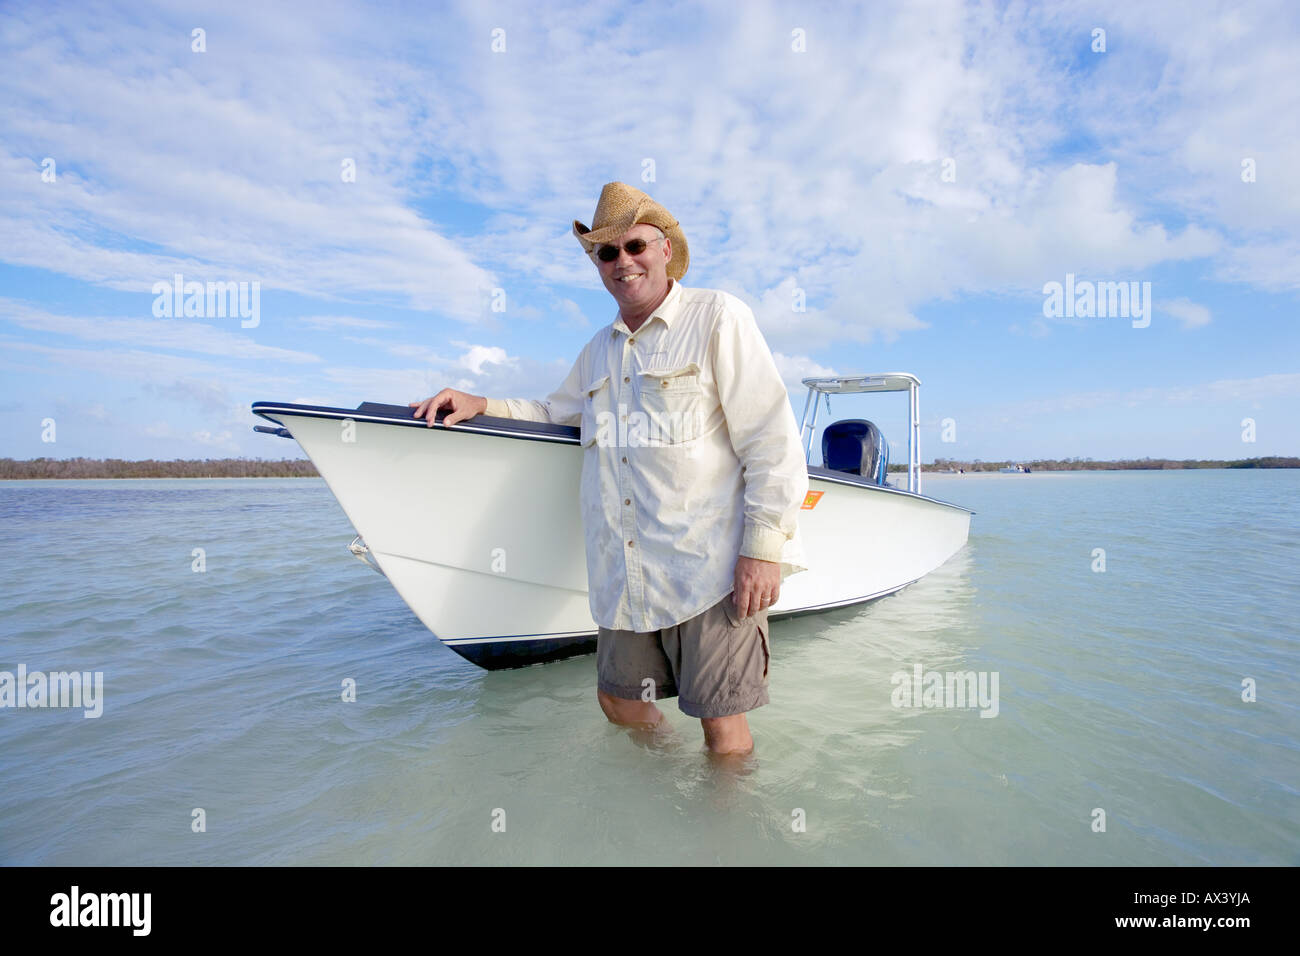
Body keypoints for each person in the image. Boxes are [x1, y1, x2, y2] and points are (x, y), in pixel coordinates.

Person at [411, 182, 807, 755]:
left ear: (665, 248)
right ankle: (663, 803)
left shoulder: (719, 316)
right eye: (607, 253)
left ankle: (726, 840)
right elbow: (553, 411)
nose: (623, 262)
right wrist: (482, 404)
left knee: (721, 727)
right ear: (597, 264)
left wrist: (763, 550)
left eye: (635, 246)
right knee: (618, 702)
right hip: (625, 578)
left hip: (711, 569)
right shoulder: (599, 349)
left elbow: (771, 437)